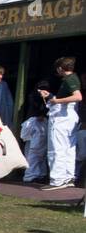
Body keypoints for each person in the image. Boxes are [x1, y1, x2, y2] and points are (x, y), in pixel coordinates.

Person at [46, 57, 80, 188]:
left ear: (60, 68)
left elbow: (77, 97)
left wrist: (55, 101)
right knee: (69, 148)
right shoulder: (73, 78)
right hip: (70, 116)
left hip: (62, 117)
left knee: (57, 147)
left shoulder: (69, 79)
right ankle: (68, 177)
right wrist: (50, 96)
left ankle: (57, 179)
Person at [20, 80, 51, 184]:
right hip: (37, 122)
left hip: (31, 122)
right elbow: (41, 108)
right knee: (36, 151)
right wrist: (41, 113)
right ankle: (32, 175)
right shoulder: (37, 96)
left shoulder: (32, 95)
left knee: (31, 150)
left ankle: (36, 173)